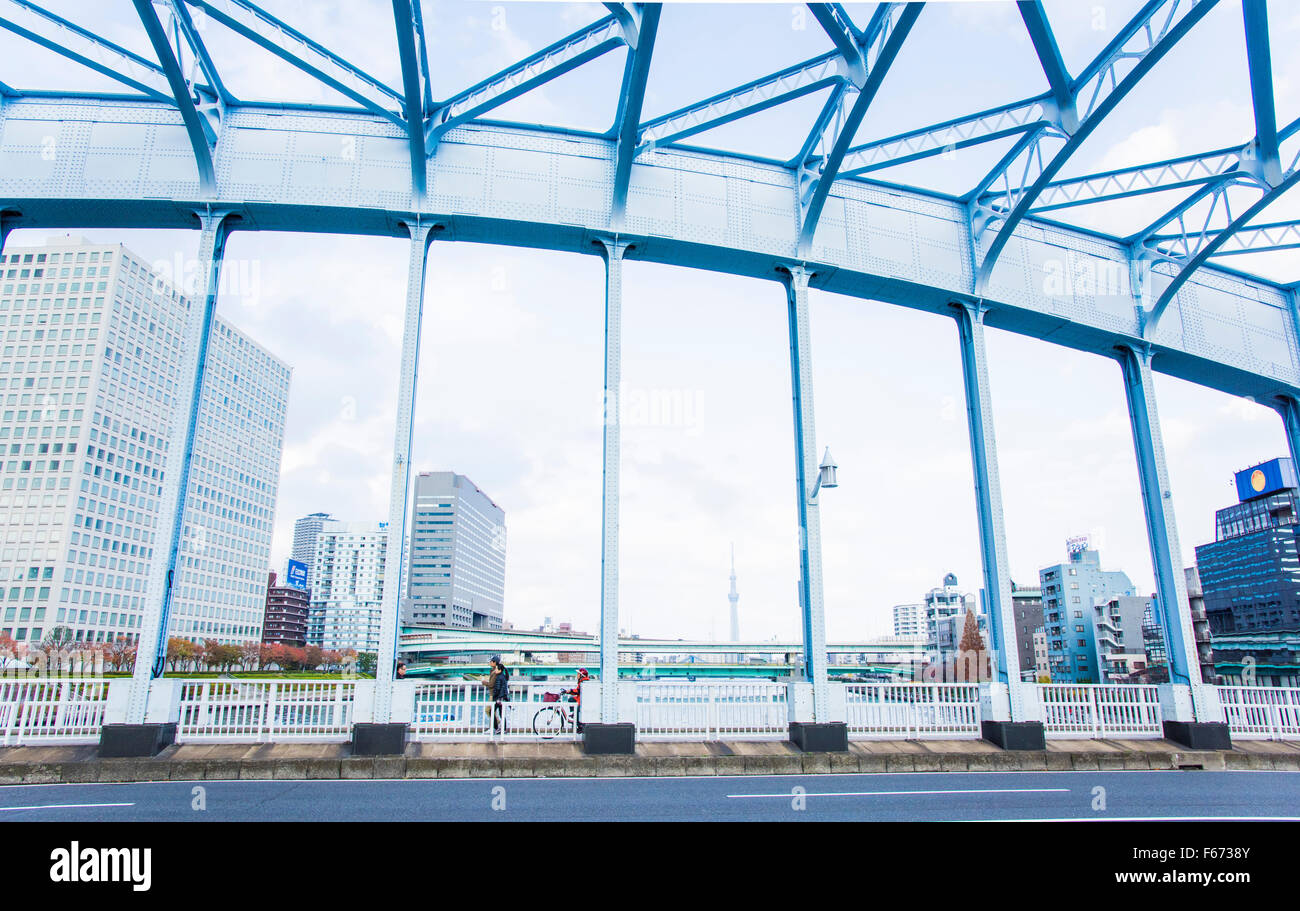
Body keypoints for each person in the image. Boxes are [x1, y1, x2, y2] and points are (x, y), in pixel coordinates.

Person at [488, 655, 510, 734]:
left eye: (497, 669)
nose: (495, 670)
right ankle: (503, 729)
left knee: (491, 711)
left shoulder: (499, 677)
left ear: (500, 670)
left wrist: (495, 697)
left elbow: (497, 689)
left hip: (499, 699)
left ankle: (497, 728)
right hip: (502, 698)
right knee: (501, 713)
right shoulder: (503, 677)